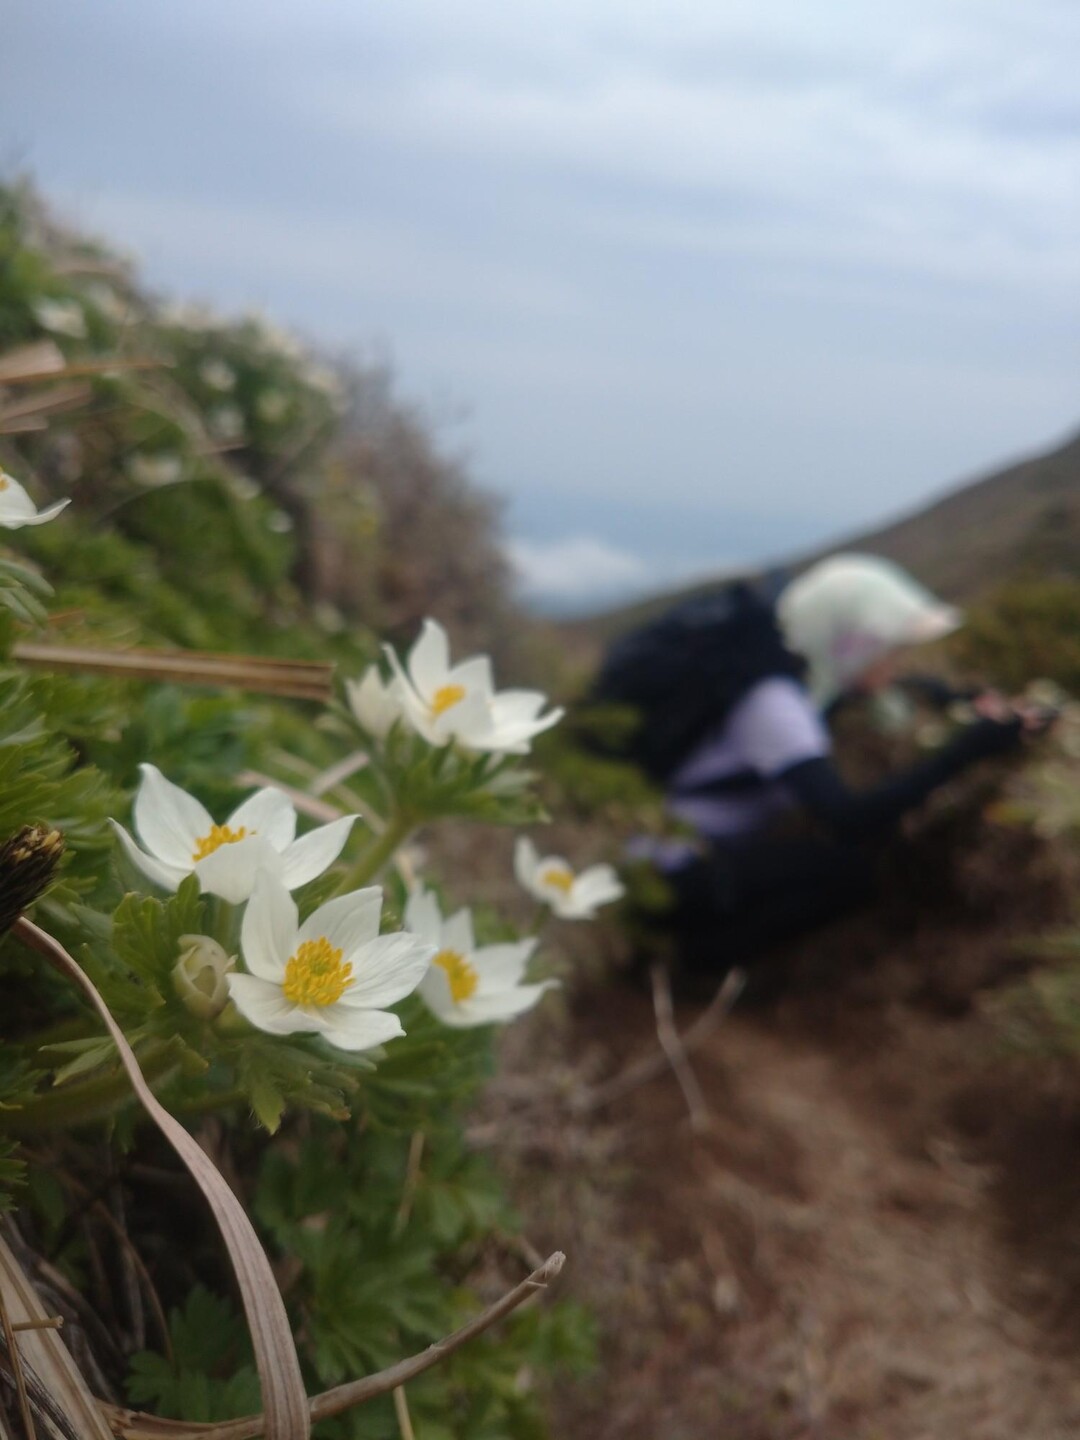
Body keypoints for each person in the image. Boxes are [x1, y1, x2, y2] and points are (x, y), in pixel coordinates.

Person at [630, 553, 1050, 982]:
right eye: (889, 650)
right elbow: (848, 820)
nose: (895, 663)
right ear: (850, 645)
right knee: (848, 872)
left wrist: (956, 701)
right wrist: (969, 749)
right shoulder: (774, 705)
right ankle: (688, 964)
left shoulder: (799, 684)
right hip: (665, 875)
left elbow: (880, 691)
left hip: (704, 853)